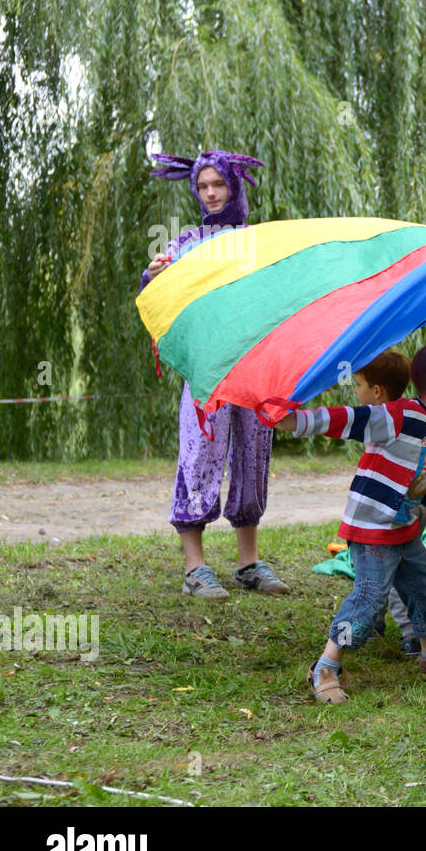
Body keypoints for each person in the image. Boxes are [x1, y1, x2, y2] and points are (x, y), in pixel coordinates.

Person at [278, 343, 426, 703]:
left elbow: (411, 471)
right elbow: (351, 419)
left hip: (402, 529)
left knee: (424, 587)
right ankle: (326, 666)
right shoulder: (401, 414)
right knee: (370, 598)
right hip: (373, 529)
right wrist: (298, 421)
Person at [144, 150, 286, 600]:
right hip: (207, 369)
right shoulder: (185, 242)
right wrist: (154, 275)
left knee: (252, 458)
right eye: (202, 186)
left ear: (233, 186)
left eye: (217, 185)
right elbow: (160, 298)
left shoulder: (258, 242)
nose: (210, 193)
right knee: (199, 454)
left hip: (253, 365)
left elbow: (276, 300)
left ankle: (248, 564)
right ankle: (195, 569)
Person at [349, 350, 421, 654]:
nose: (355, 391)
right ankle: (350, 640)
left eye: (357, 385)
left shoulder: (385, 419)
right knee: (374, 590)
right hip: (385, 522)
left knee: (378, 587)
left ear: (376, 391)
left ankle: (414, 637)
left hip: (383, 523)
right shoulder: (403, 417)